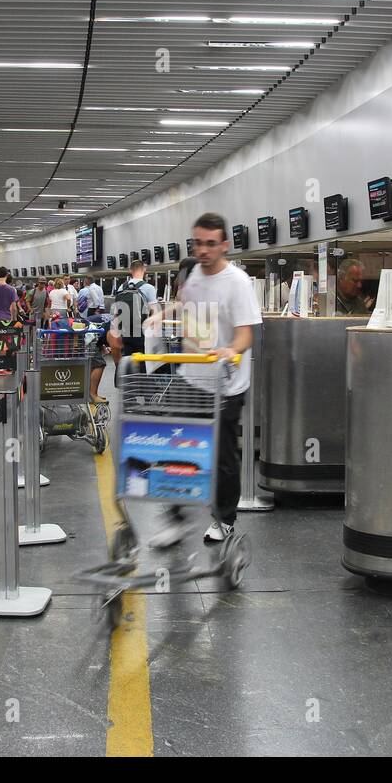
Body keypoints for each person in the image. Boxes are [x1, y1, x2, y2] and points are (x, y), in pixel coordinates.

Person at [148, 214, 261, 549]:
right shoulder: (194, 274)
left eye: (211, 244)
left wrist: (230, 350)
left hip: (225, 384)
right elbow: (189, 305)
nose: (203, 250)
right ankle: (176, 518)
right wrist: (164, 313)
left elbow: (246, 334)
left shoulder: (238, 283)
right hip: (191, 376)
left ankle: (224, 519)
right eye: (198, 243)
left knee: (223, 456)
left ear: (224, 245)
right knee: (175, 444)